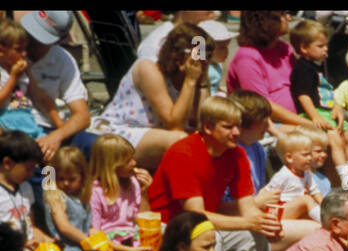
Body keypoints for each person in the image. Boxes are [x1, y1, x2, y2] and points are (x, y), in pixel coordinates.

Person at [146, 94, 277, 251]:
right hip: (171, 226)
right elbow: (194, 215)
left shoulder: (236, 155)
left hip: (205, 221)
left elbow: (247, 208)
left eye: (238, 126)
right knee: (210, 239)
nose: (236, 132)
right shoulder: (184, 152)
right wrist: (248, 221)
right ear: (208, 127)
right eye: (228, 127)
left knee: (256, 239)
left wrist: (261, 223)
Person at [89, 22, 209, 171]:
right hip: (121, 132)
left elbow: (202, 121)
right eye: (198, 58)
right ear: (178, 56)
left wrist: (201, 81)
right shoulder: (148, 69)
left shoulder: (190, 77)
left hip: (154, 134)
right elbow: (174, 125)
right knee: (180, 141)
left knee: (209, 138)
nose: (200, 65)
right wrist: (191, 81)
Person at [18, 11, 92, 160]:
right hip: (15, 126)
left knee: (96, 146)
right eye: (29, 33)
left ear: (58, 41)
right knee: (42, 160)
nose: (31, 41)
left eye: (38, 38)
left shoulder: (62, 59)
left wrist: (56, 137)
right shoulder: (9, 52)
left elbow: (83, 115)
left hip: (48, 126)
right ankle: (45, 181)